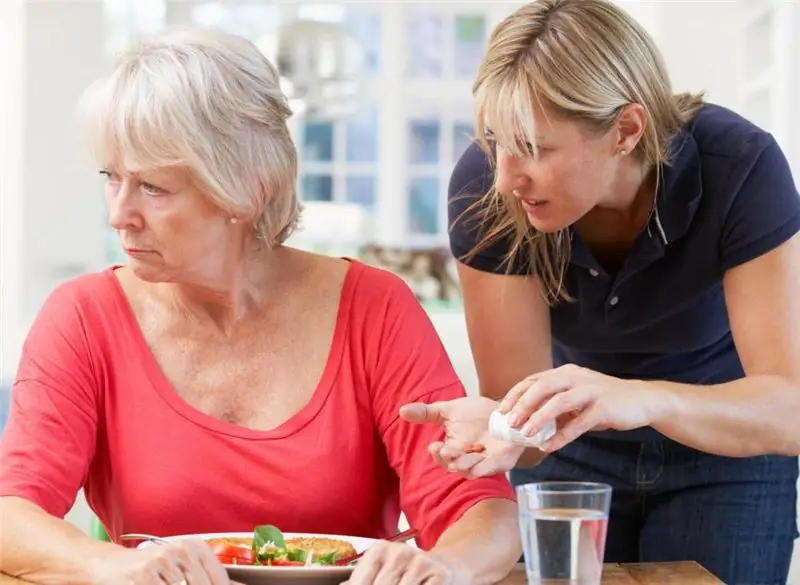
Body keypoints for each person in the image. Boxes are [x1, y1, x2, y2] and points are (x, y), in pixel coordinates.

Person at [0, 29, 521, 585]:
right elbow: (11, 516)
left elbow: (482, 511)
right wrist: (113, 566)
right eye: (112, 178)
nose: (119, 214)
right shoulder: (83, 318)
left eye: (153, 187)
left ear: (248, 190)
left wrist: (443, 568)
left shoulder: (375, 308)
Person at [400, 1, 800, 584]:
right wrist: (502, 429)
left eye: (534, 148)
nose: (507, 178)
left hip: (726, 453)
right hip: (570, 451)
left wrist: (641, 398)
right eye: (494, 141)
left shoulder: (739, 166)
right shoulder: (485, 190)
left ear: (626, 130)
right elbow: (529, 442)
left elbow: (789, 410)